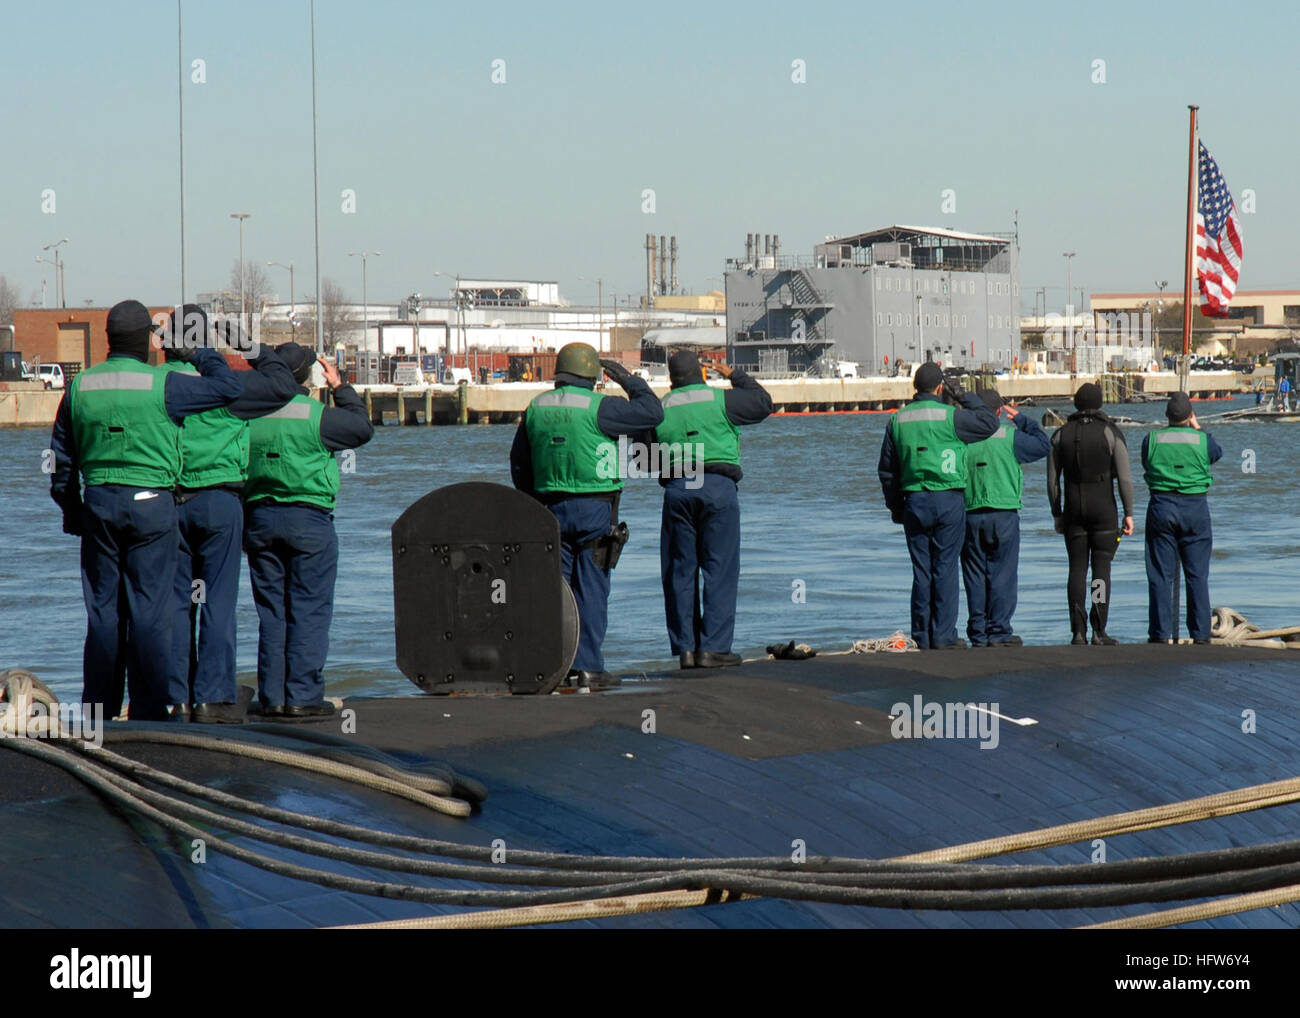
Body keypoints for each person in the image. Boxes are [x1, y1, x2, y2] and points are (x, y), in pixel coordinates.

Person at [49, 299, 242, 721]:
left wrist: (72, 509)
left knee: (103, 611)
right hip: (153, 505)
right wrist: (202, 352)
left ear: (107, 339)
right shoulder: (163, 385)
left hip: (99, 503)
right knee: (150, 611)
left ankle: (99, 710)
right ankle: (150, 710)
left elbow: (62, 459)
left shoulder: (81, 386)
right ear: (147, 342)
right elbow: (230, 390)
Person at [157, 306, 300, 723]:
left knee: (178, 604)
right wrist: (244, 341)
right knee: (217, 601)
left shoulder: (162, 387)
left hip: (170, 503)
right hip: (219, 502)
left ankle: (177, 699)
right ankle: (212, 698)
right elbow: (283, 383)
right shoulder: (233, 387)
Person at [509, 342, 663, 688]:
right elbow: (652, 413)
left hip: (549, 510)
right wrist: (629, 380)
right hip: (594, 509)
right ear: (593, 376)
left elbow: (518, 461)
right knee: (592, 588)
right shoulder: (602, 407)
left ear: (559, 374)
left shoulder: (535, 408)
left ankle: (557, 668)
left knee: (557, 592)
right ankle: (589, 668)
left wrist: (532, 501)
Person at [243, 344, 373, 718]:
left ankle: (273, 696)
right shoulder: (317, 416)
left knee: (272, 613)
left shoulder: (250, 417)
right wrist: (341, 388)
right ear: (306, 377)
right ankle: (302, 697)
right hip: (309, 522)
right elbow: (362, 429)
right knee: (309, 610)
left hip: (260, 520)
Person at [653, 351, 772, 669]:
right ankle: (714, 649)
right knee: (719, 568)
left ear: (671, 378)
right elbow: (763, 402)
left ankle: (687, 650)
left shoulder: (661, 408)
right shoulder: (721, 399)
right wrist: (735, 374)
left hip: (679, 488)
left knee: (680, 570)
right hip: (717, 486)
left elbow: (644, 457)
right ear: (702, 374)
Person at [878, 363, 999, 649]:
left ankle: (921, 636)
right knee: (944, 568)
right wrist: (963, 395)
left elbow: (887, 471)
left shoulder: (898, 420)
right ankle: (943, 637)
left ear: (914, 387)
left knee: (921, 571)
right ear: (940, 388)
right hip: (948, 498)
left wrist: (896, 507)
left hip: (914, 500)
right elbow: (989, 423)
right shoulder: (952, 416)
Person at [960, 389, 1050, 647]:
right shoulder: (1011, 437)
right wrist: (1022, 419)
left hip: (971, 513)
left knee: (974, 576)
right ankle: (999, 632)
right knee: (1003, 575)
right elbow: (1044, 444)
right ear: (999, 411)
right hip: (1004, 514)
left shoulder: (964, 439)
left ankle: (978, 633)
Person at [1046, 383, 1134, 645]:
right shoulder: (1110, 433)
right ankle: (1098, 630)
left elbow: (1052, 482)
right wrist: (1129, 511)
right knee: (1101, 570)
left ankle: (1077, 632)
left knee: (1076, 569)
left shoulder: (1060, 435)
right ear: (1099, 404)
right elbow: (1125, 479)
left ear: (1075, 404)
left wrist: (1057, 513)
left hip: (1073, 510)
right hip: (1104, 510)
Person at [1141, 391, 1222, 645]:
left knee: (1160, 574)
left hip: (1162, 505)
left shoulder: (1151, 439)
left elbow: (1146, 463)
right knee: (1197, 575)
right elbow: (1216, 453)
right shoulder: (1201, 440)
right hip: (1195, 507)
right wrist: (1199, 427)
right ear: (1190, 415)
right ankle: (1200, 634)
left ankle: (1160, 633)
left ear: (1166, 415)